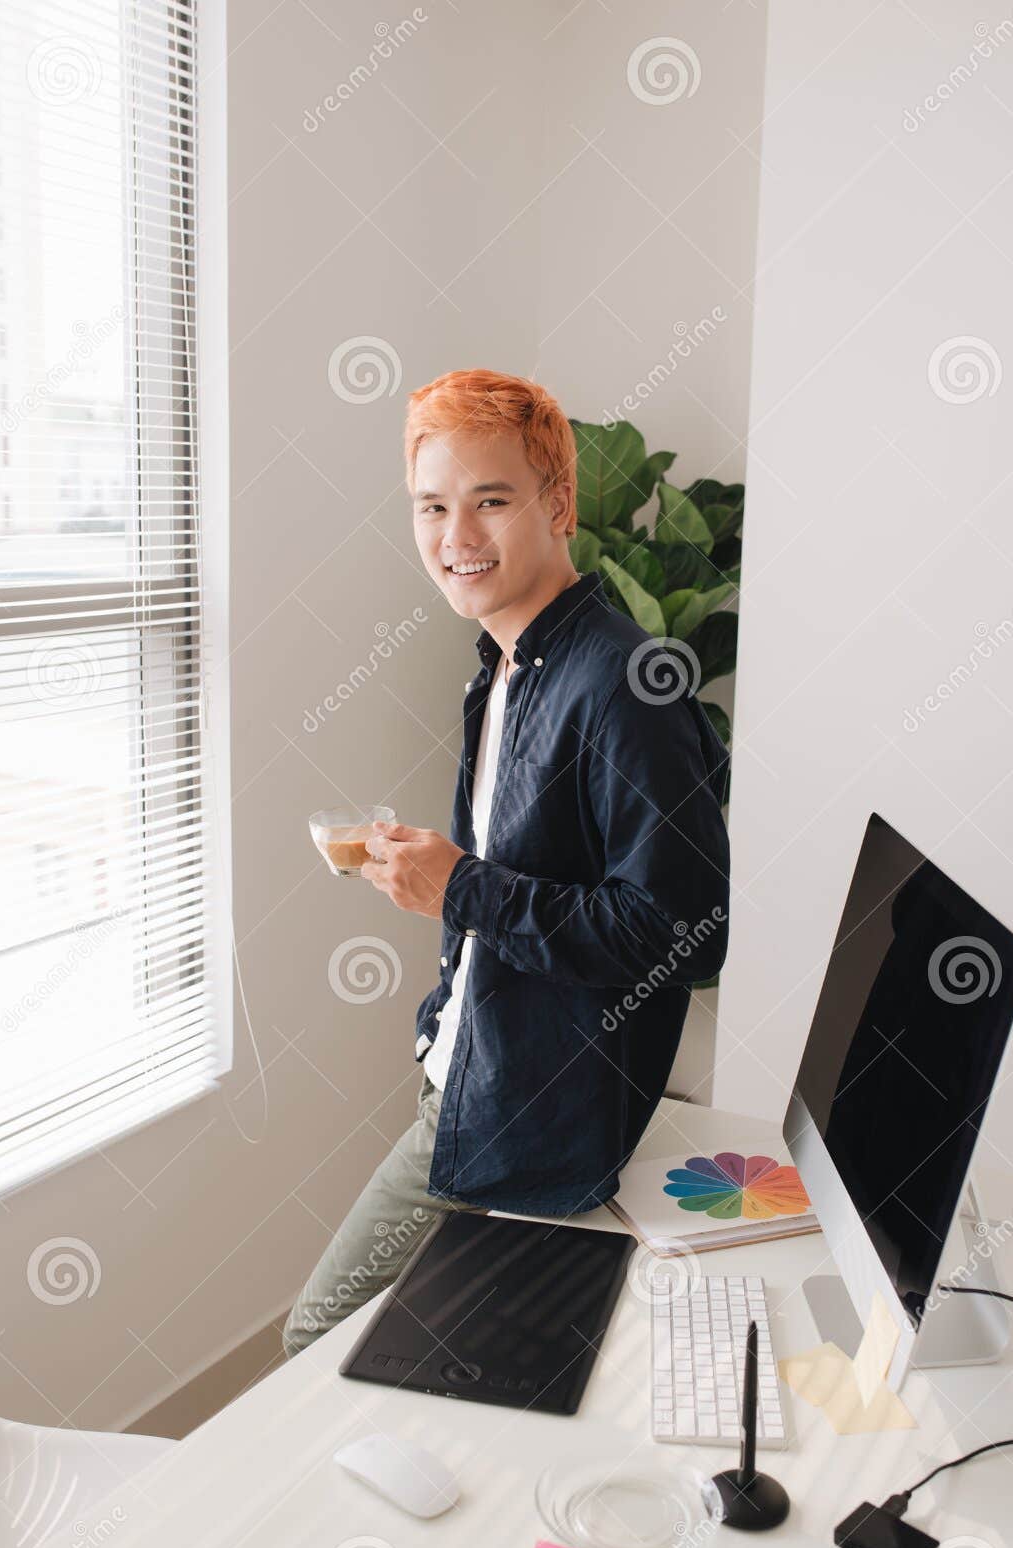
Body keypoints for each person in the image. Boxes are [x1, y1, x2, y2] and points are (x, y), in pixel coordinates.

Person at [282, 368, 730, 1358]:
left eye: (490, 500)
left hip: (524, 1115)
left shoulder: (627, 686)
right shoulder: (502, 668)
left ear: (558, 504)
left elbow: (681, 932)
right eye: (432, 506)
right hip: (471, 1072)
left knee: (316, 1337)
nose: (457, 536)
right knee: (425, 1365)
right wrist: (446, 988)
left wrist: (463, 888)